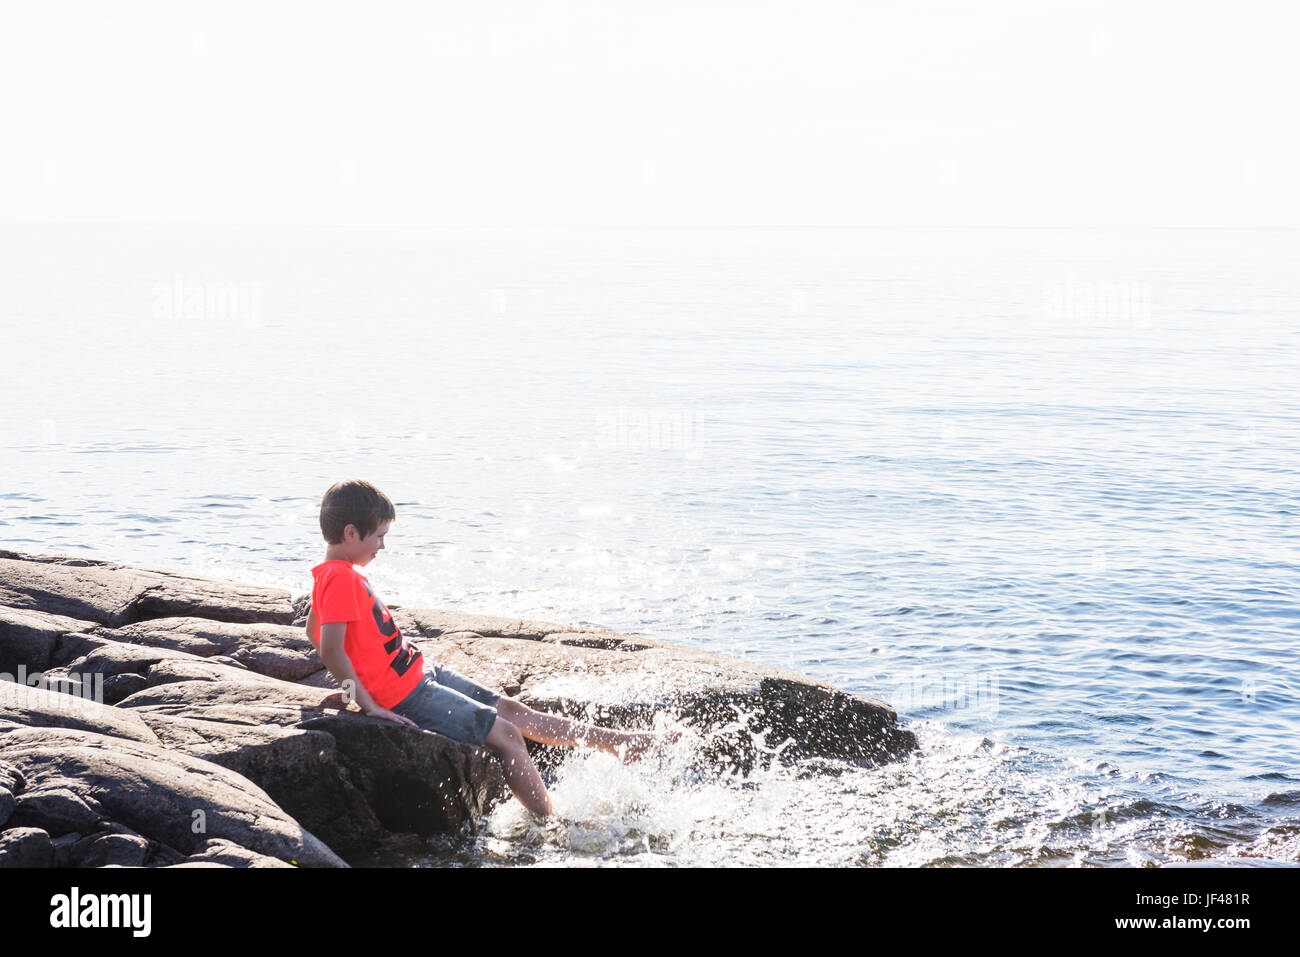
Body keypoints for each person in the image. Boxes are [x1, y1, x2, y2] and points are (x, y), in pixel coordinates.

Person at [305, 478, 676, 817]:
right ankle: (550, 823)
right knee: (508, 736)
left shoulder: (333, 575)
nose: (383, 545)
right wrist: (362, 700)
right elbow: (331, 648)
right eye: (379, 537)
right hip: (405, 695)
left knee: (514, 710)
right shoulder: (339, 578)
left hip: (418, 674)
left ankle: (622, 744)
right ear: (351, 532)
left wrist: (373, 661)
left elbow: (312, 631)